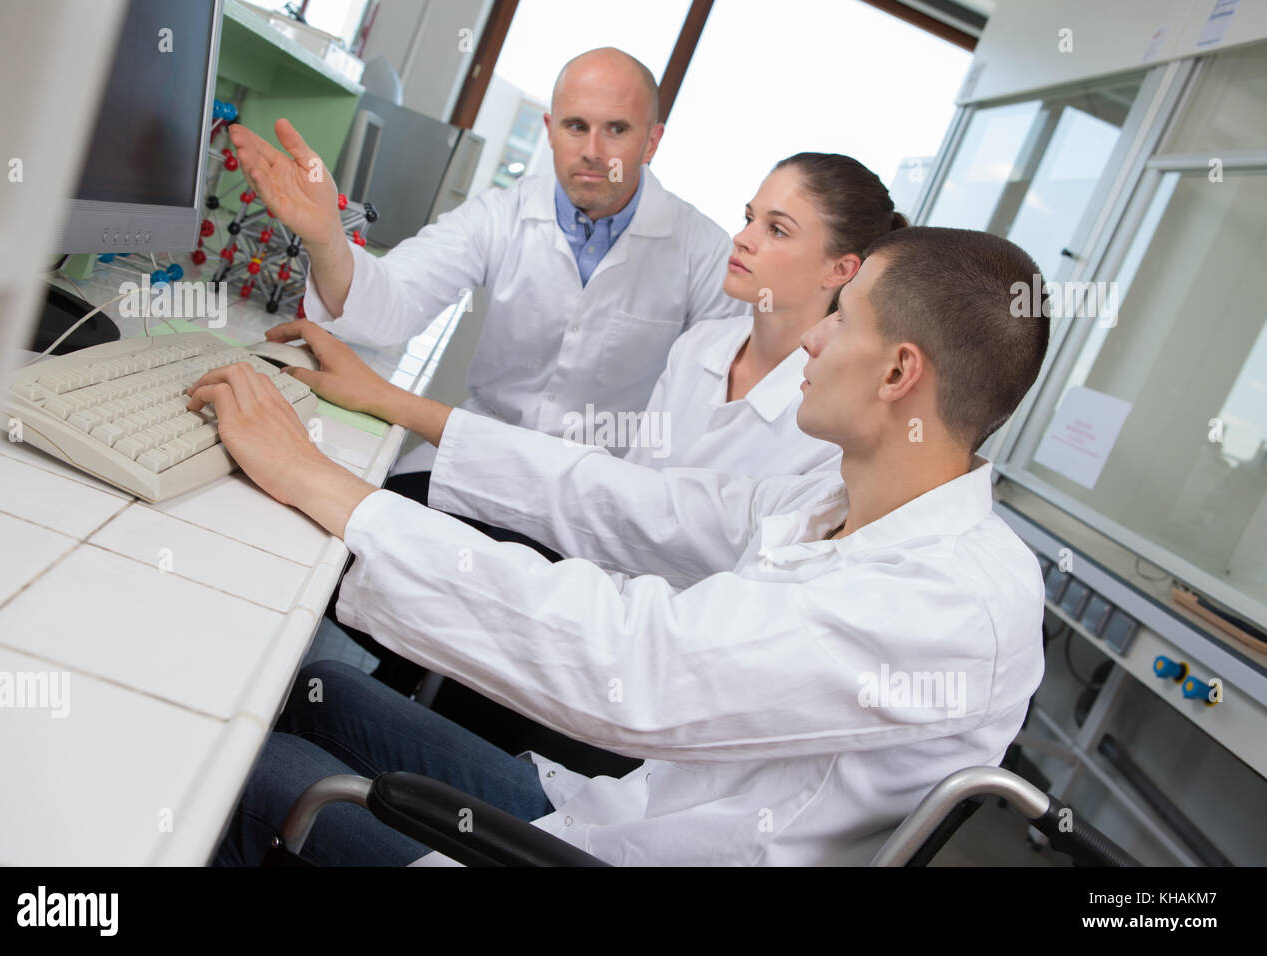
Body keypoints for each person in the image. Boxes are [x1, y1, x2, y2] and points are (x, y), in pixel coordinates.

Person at [202, 226, 1049, 867]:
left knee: (250, 775)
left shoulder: (949, 605)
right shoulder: (837, 500)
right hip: (619, 815)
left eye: (842, 319)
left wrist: (319, 482)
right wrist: (393, 402)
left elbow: (639, 664)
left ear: (898, 373)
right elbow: (630, 502)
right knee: (318, 692)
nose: (812, 340)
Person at [229, 47, 736, 487]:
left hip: (598, 488)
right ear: (550, 131)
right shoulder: (501, 214)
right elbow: (394, 303)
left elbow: (715, 414)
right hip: (478, 457)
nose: (592, 151)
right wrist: (326, 238)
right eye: (576, 126)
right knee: (356, 547)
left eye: (617, 130)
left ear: (651, 141)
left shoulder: (706, 253)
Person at [622, 152, 907, 476]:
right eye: (749, 219)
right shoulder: (697, 345)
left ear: (840, 270)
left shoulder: (836, 417)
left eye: (777, 230)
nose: (741, 239)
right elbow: (628, 480)